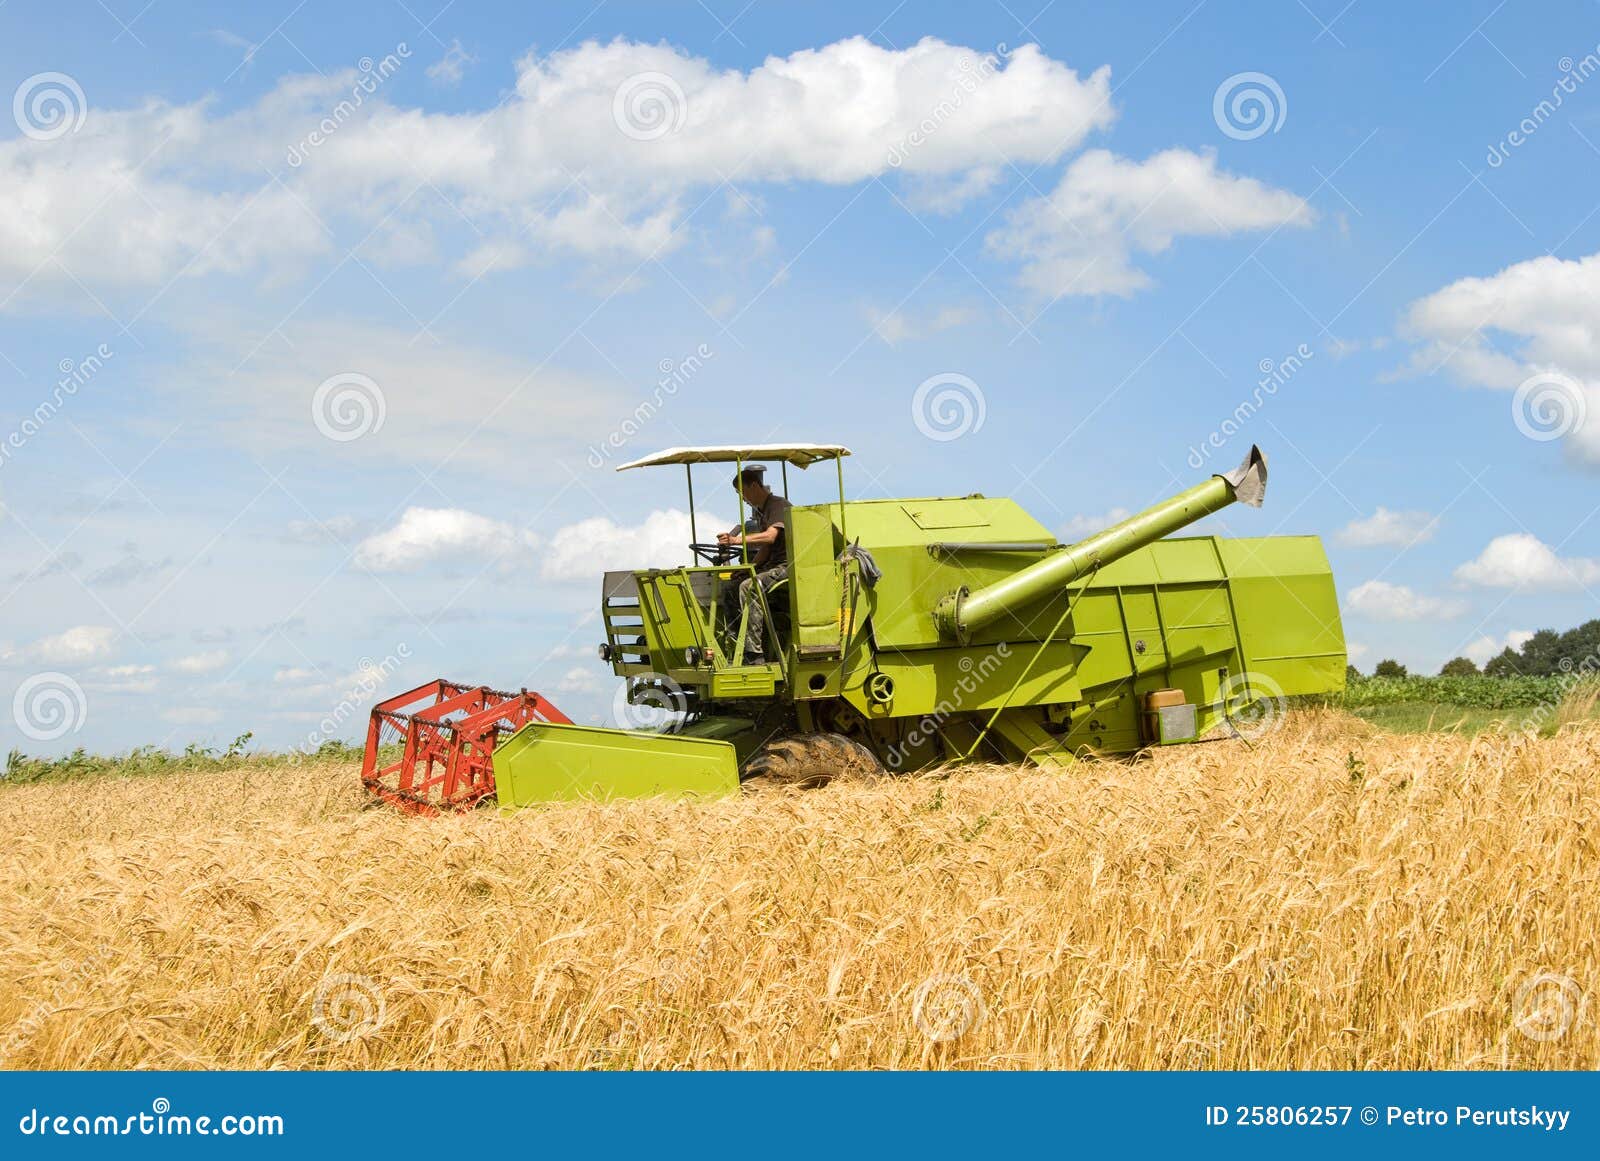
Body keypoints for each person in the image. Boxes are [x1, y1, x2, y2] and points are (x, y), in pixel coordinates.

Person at [717, 465, 790, 664]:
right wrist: (747, 569)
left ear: (754, 486)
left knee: (750, 587)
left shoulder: (777, 505)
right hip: (771, 565)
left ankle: (754, 653)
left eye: (742, 491)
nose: (742, 497)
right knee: (732, 587)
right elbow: (766, 550)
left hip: (787, 567)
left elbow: (770, 537)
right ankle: (737, 645)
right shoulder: (760, 511)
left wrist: (735, 541)